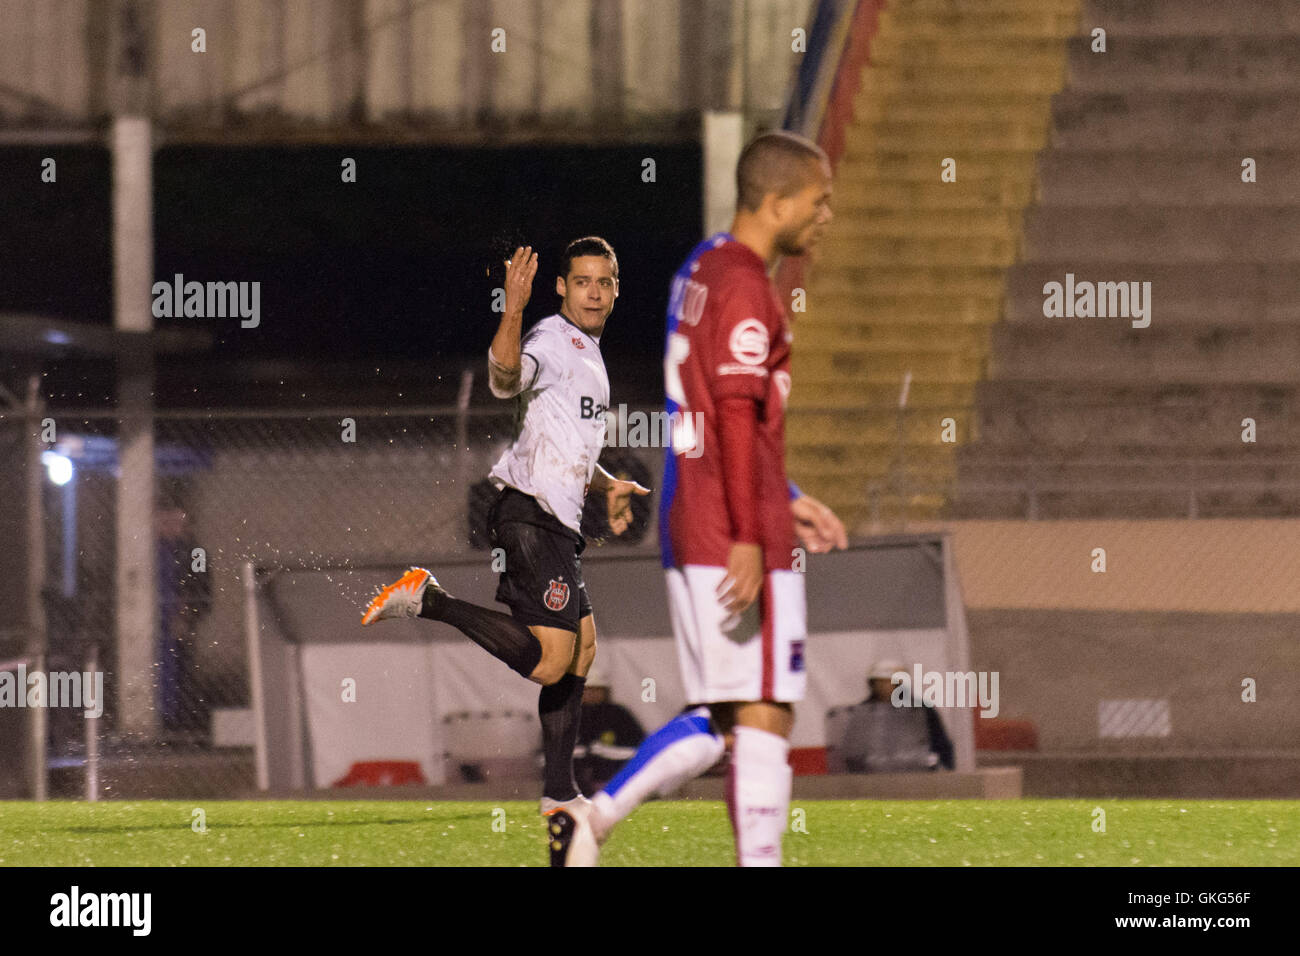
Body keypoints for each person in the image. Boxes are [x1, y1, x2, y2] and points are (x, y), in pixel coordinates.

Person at [550, 131, 847, 867]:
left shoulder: (702, 266)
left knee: (725, 713)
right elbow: (739, 415)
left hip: (697, 519)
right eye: (820, 199)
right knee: (768, 708)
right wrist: (755, 527)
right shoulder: (748, 285)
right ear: (776, 202)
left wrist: (788, 494)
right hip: (732, 528)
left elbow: (714, 413)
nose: (828, 214)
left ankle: (592, 820)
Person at [360, 237, 650, 821]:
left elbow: (566, 448)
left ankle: (560, 790)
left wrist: (609, 484)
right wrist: (512, 311)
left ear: (616, 289)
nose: (594, 292)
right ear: (561, 288)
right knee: (549, 661)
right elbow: (503, 380)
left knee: (581, 651)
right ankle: (430, 599)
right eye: (583, 281)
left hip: (554, 520)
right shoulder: (549, 337)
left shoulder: (589, 354)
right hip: (529, 515)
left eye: (604, 282)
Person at [839, 661, 954, 773]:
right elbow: (851, 752)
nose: (884, 686)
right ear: (872, 684)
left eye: (889, 682)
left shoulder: (921, 709)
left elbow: (941, 745)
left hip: (917, 779)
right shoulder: (862, 713)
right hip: (872, 782)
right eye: (879, 682)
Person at [573, 665, 645, 795]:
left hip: (615, 780)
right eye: (587, 690)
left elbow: (638, 750)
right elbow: (548, 754)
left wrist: (604, 751)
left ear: (605, 691)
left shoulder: (619, 715)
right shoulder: (568, 717)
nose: (591, 694)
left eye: (596, 690)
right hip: (575, 785)